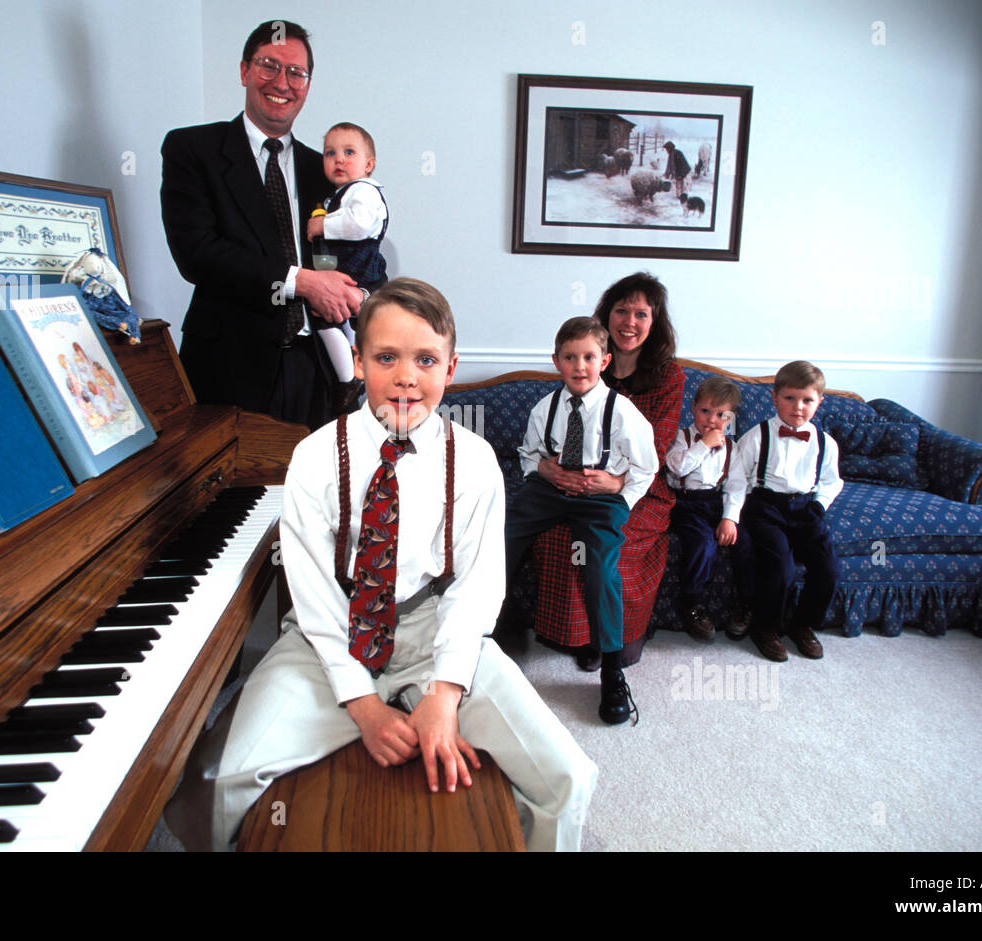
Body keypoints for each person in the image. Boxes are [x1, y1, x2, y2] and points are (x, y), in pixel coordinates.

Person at [164, 278, 597, 852]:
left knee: (568, 777)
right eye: (386, 357)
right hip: (329, 635)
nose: (406, 377)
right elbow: (312, 589)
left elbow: (476, 586)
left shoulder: (473, 460)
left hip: (433, 628)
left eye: (426, 359)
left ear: (450, 366)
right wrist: (363, 706)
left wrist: (444, 697)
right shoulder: (316, 455)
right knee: (219, 780)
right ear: (360, 361)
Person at [160, 20, 363, 430]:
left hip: (315, 370)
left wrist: (348, 289)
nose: (282, 82)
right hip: (228, 369)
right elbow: (197, 255)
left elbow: (335, 251)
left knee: (313, 491)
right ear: (244, 71)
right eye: (269, 65)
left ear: (307, 84)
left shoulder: (322, 170)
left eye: (296, 73)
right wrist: (300, 282)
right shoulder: (192, 149)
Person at [506, 317, 658, 726]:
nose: (579, 366)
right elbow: (528, 454)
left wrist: (618, 486)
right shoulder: (546, 407)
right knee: (500, 536)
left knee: (600, 568)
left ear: (605, 360)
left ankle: (612, 670)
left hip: (599, 498)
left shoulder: (622, 412)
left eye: (589, 357)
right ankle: (485, 631)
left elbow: (648, 466)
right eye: (569, 357)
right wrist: (545, 471)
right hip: (551, 490)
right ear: (556, 361)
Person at [527, 273, 684, 666]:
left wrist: (617, 484)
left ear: (655, 321)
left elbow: (658, 449)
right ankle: (579, 635)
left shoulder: (669, 376)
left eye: (641, 314)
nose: (630, 322)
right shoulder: (586, 362)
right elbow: (554, 435)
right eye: (621, 311)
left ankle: (622, 633)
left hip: (639, 484)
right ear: (607, 316)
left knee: (615, 543)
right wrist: (554, 471)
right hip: (577, 481)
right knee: (561, 537)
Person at [721, 361, 843, 662]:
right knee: (780, 568)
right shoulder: (756, 437)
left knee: (828, 568)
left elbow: (832, 481)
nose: (798, 407)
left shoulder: (826, 443)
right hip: (766, 508)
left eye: (807, 400)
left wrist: (819, 504)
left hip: (806, 508)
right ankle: (767, 628)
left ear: (819, 402)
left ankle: (803, 625)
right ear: (774, 397)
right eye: (789, 398)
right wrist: (730, 517)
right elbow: (736, 482)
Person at [305, 122, 389, 413]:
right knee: (347, 325)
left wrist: (322, 224)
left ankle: (348, 379)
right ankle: (355, 372)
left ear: (369, 164)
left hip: (359, 271)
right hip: (347, 271)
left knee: (322, 320)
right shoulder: (343, 193)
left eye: (349, 152)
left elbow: (359, 224)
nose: (338, 159)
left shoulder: (362, 191)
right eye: (330, 153)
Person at [665, 375, 755, 643]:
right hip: (685, 503)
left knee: (746, 542)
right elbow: (677, 468)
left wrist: (729, 518)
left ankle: (747, 605)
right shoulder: (681, 438)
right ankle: (690, 602)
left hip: (714, 501)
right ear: (693, 408)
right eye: (705, 411)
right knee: (703, 544)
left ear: (730, 419)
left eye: (721, 415)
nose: (711, 420)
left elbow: (736, 486)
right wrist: (703, 445)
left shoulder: (731, 447)